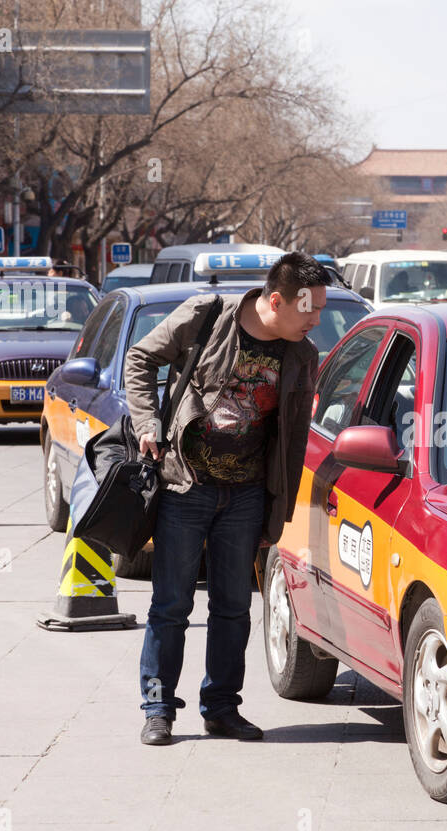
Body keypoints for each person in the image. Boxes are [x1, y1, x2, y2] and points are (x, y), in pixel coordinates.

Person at [125, 252, 325, 746]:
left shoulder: (302, 354)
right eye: (309, 310)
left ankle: (221, 707)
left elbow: (295, 437)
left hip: (246, 495)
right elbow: (139, 358)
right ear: (275, 300)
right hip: (185, 485)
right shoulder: (208, 315)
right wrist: (148, 423)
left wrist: (281, 505)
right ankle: (158, 708)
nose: (316, 320)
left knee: (234, 607)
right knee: (171, 604)